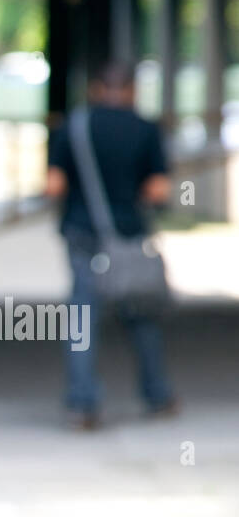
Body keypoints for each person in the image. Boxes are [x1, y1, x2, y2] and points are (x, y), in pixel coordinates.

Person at [46, 62, 178, 429]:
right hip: (128, 237)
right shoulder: (146, 130)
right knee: (141, 314)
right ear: (132, 91)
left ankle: (82, 402)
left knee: (82, 318)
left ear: (96, 89)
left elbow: (54, 185)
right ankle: (156, 393)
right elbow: (159, 190)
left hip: (82, 235)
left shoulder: (73, 127)